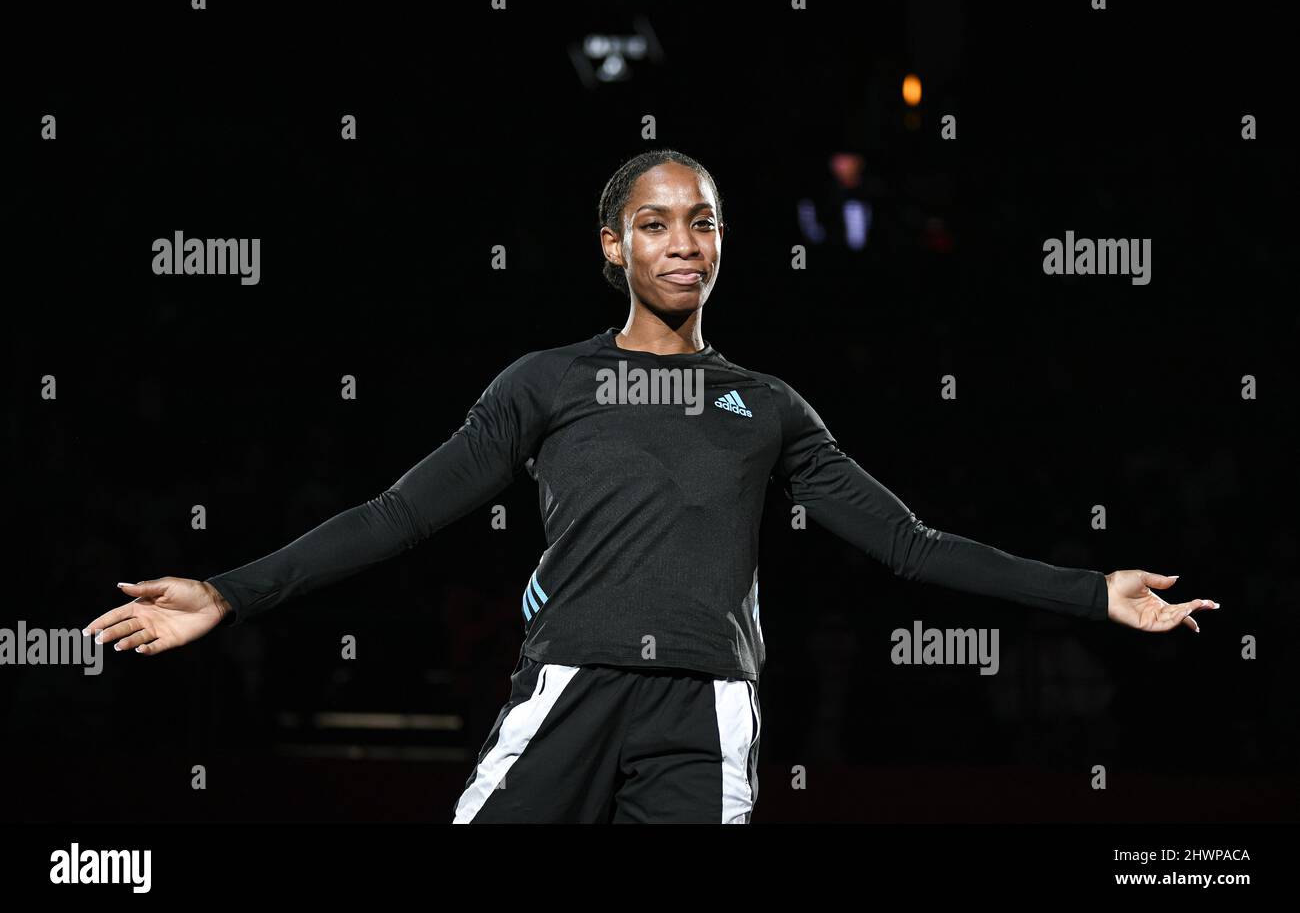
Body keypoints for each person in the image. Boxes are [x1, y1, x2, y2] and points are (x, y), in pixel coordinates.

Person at [83, 148, 1220, 823]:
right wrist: (230, 590)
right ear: (613, 247)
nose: (685, 240)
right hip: (569, 689)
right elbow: (397, 513)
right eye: (656, 222)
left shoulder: (769, 405)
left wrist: (1090, 590)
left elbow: (910, 545)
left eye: (704, 220)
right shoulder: (545, 383)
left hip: (707, 711)